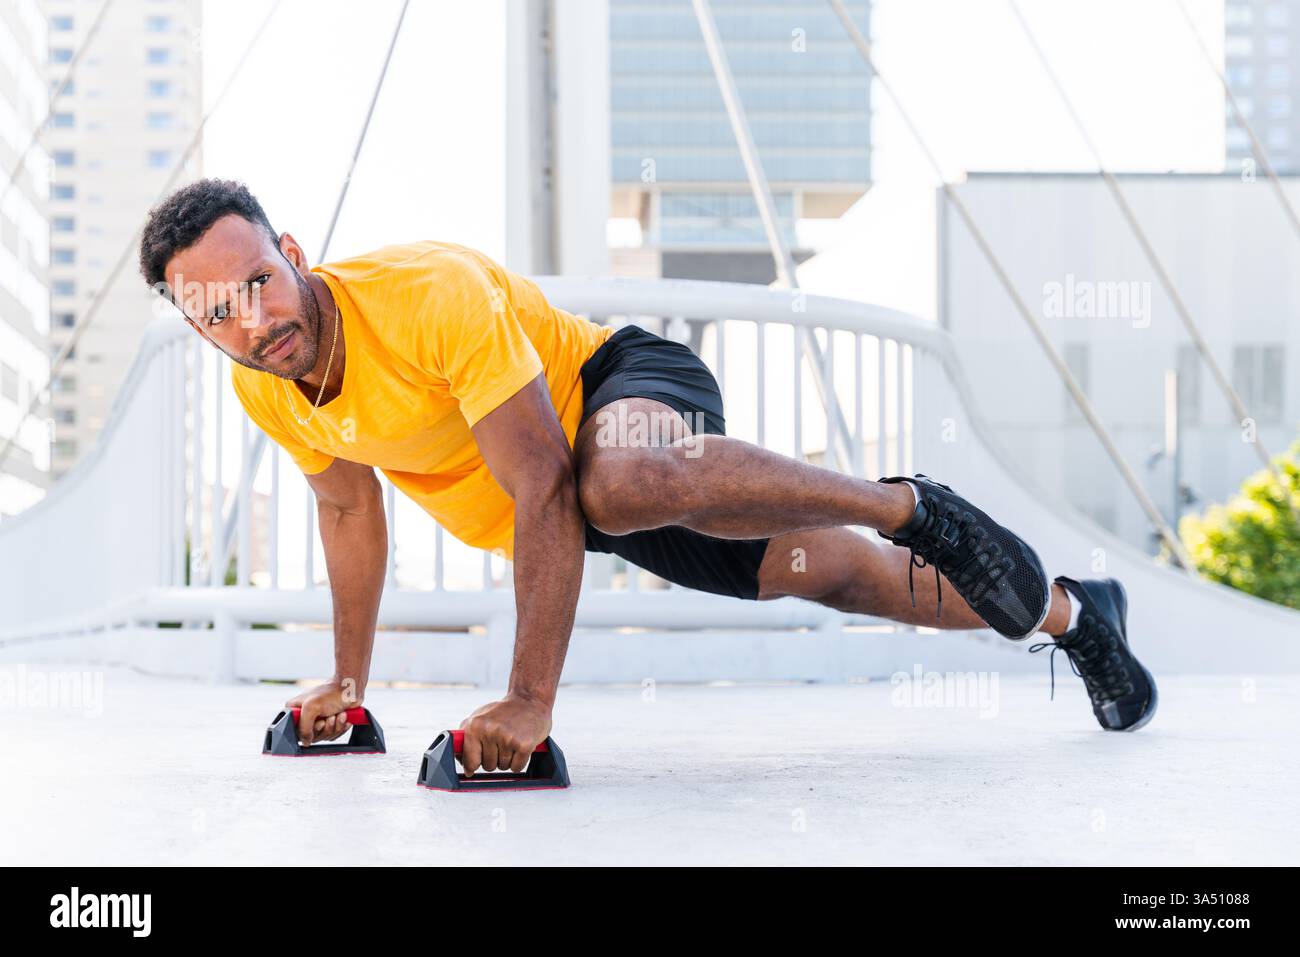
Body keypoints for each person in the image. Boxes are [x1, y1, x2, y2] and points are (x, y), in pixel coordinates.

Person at [138, 179, 1157, 774]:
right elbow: (346, 511)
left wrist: (528, 702)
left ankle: (913, 505)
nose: (255, 321)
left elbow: (544, 487)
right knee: (844, 579)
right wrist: (350, 689)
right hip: (595, 507)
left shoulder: (422, 295)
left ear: (293, 253)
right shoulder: (265, 388)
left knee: (610, 484)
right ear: (194, 323)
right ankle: (1077, 615)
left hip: (619, 392)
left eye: (259, 283)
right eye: (215, 312)